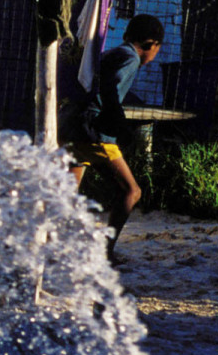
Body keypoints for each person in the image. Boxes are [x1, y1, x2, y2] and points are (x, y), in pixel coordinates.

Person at [68, 14, 165, 246]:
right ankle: (106, 251)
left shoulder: (112, 53)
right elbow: (110, 88)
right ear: (153, 44)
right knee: (132, 191)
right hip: (96, 131)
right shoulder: (130, 57)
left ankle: (52, 243)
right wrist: (120, 124)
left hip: (75, 126)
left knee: (65, 195)